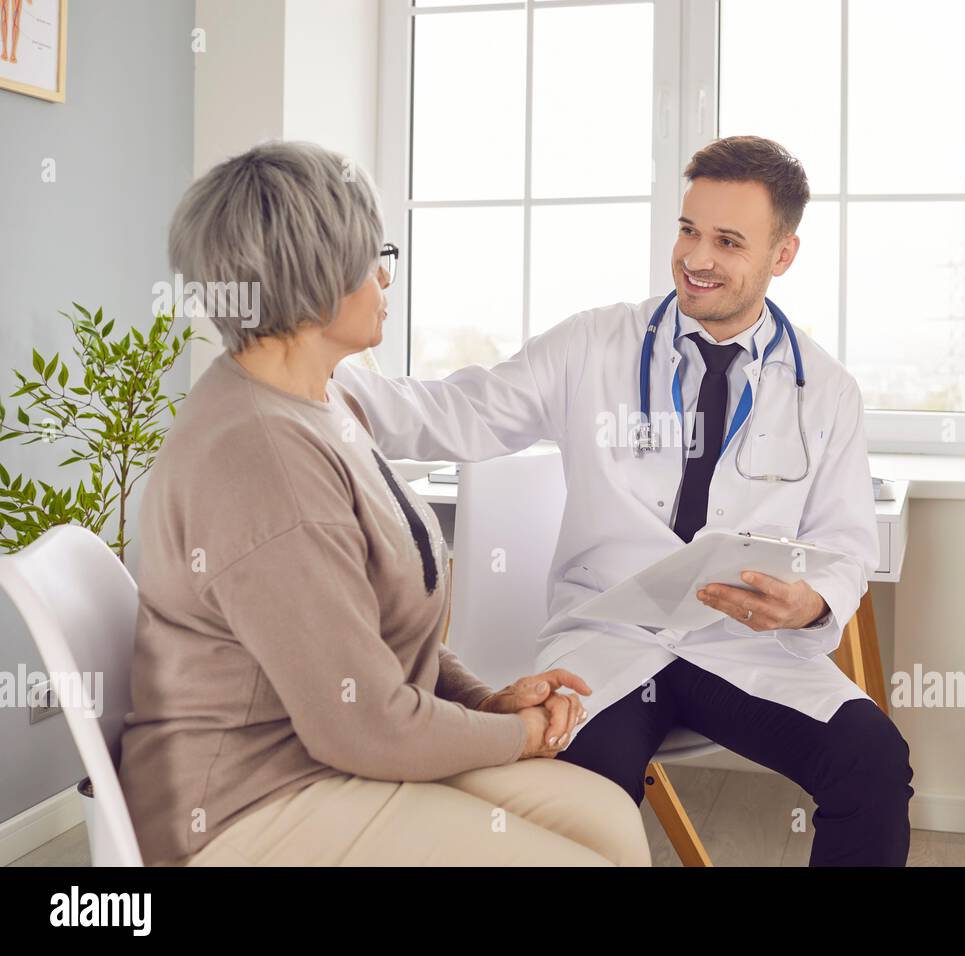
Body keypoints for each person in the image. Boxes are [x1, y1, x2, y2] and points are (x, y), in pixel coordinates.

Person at [332, 135, 914, 866]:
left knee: (874, 762)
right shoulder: (594, 345)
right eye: (687, 230)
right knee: (581, 796)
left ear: (783, 254)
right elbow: (457, 412)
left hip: (740, 647)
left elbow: (846, 546)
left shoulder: (823, 389)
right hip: (607, 640)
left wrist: (811, 603)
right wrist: (318, 370)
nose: (696, 258)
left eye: (728, 241)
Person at [117, 140, 650, 867]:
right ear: (315, 277)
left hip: (331, 752)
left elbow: (372, 639)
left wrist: (486, 702)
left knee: (607, 818)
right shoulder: (261, 456)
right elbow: (363, 723)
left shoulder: (324, 400)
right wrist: (521, 736)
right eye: (375, 256)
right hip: (250, 802)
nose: (386, 275)